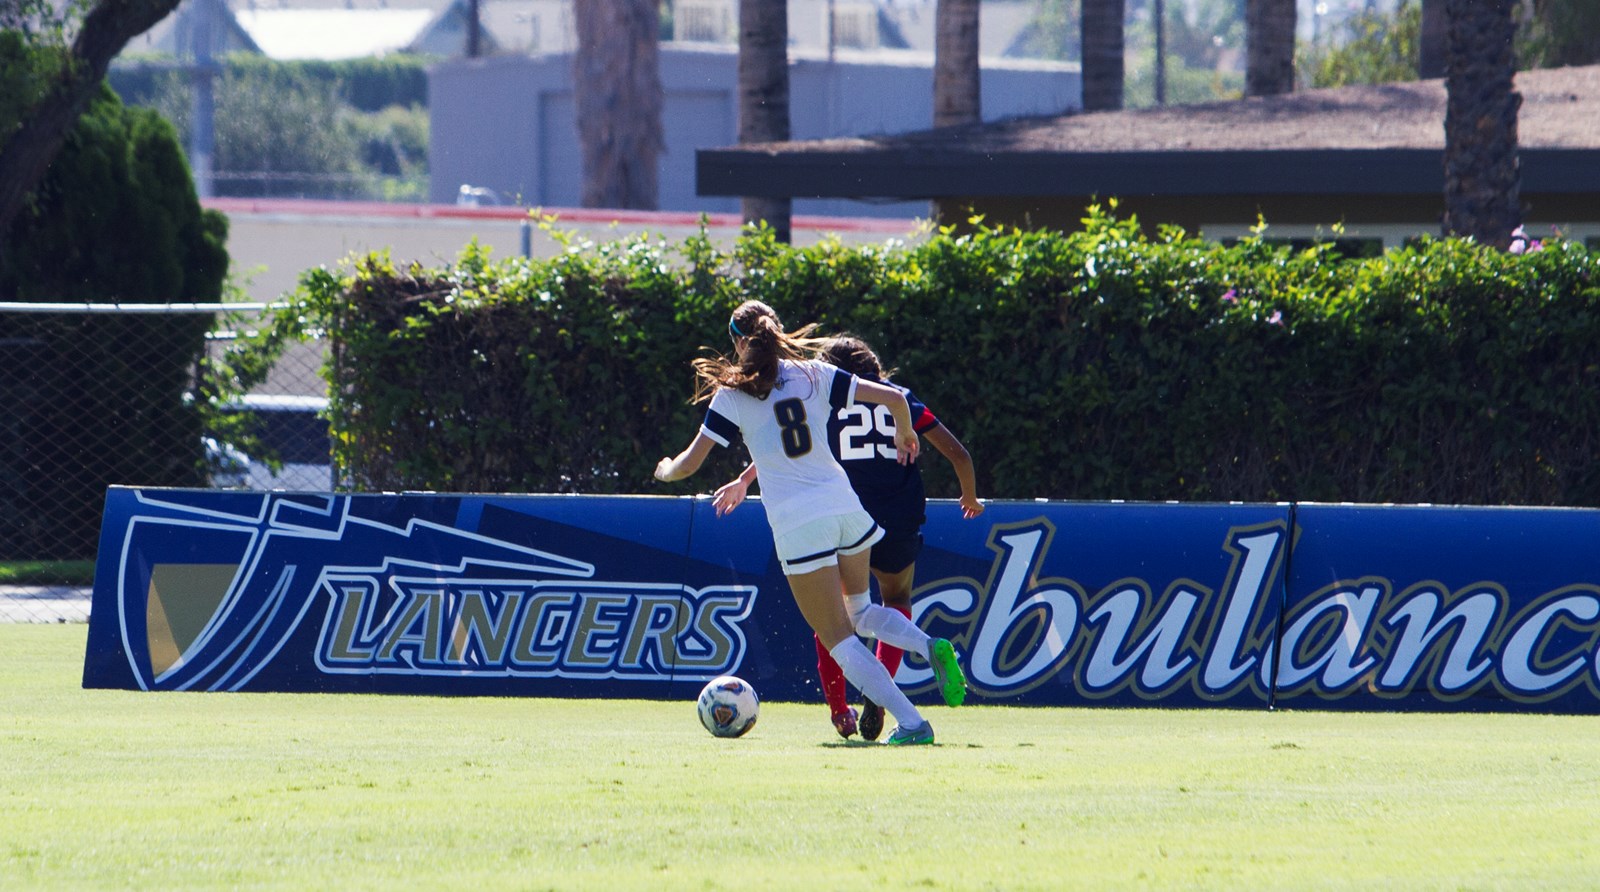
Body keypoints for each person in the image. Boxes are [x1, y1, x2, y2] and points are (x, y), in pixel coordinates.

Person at [655, 300, 967, 745]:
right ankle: (929, 645)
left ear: (738, 342)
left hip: (799, 524)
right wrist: (903, 431)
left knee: (838, 638)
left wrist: (665, 470)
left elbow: (689, 464)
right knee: (862, 614)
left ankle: (914, 724)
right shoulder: (815, 374)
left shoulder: (732, 395)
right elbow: (895, 397)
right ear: (777, 331)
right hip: (847, 509)